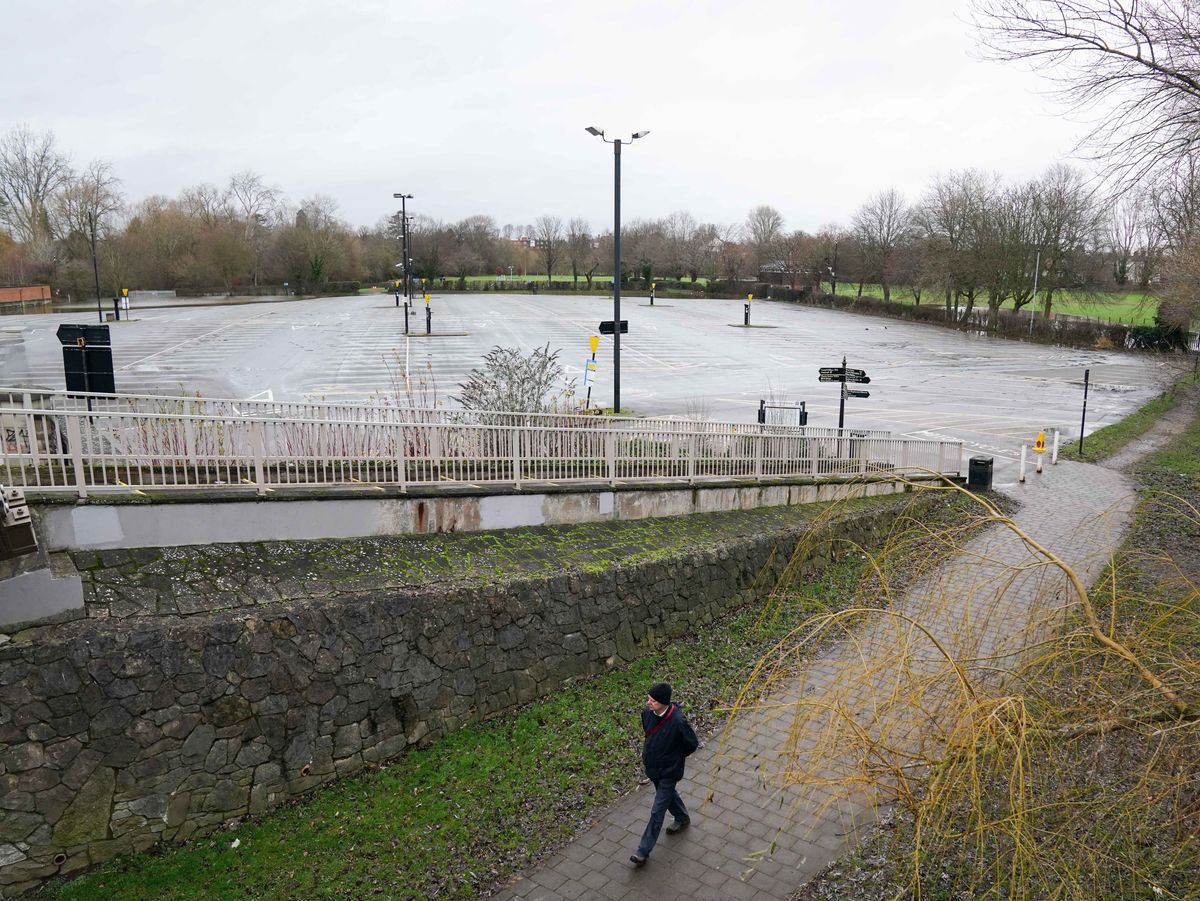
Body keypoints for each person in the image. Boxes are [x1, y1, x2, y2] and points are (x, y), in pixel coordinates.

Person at [630, 682, 699, 867]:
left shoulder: (678, 722)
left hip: (669, 771)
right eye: (648, 699)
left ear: (663, 702)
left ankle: (643, 851)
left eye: (652, 700)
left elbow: (692, 743)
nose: (648, 702)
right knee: (667, 796)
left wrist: (675, 757)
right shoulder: (646, 714)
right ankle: (682, 818)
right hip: (653, 768)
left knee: (657, 811)